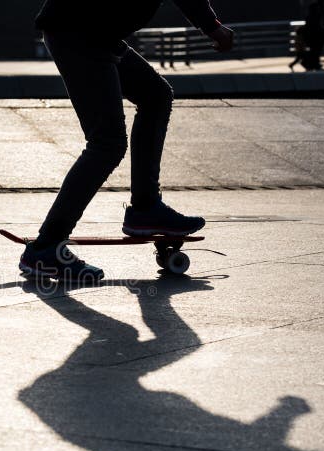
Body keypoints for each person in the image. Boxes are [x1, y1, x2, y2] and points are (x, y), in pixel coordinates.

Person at [18, 0, 234, 281]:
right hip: (80, 31)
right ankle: (47, 246)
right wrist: (212, 27)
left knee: (155, 96)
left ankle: (145, 209)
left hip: (92, 30)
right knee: (107, 143)